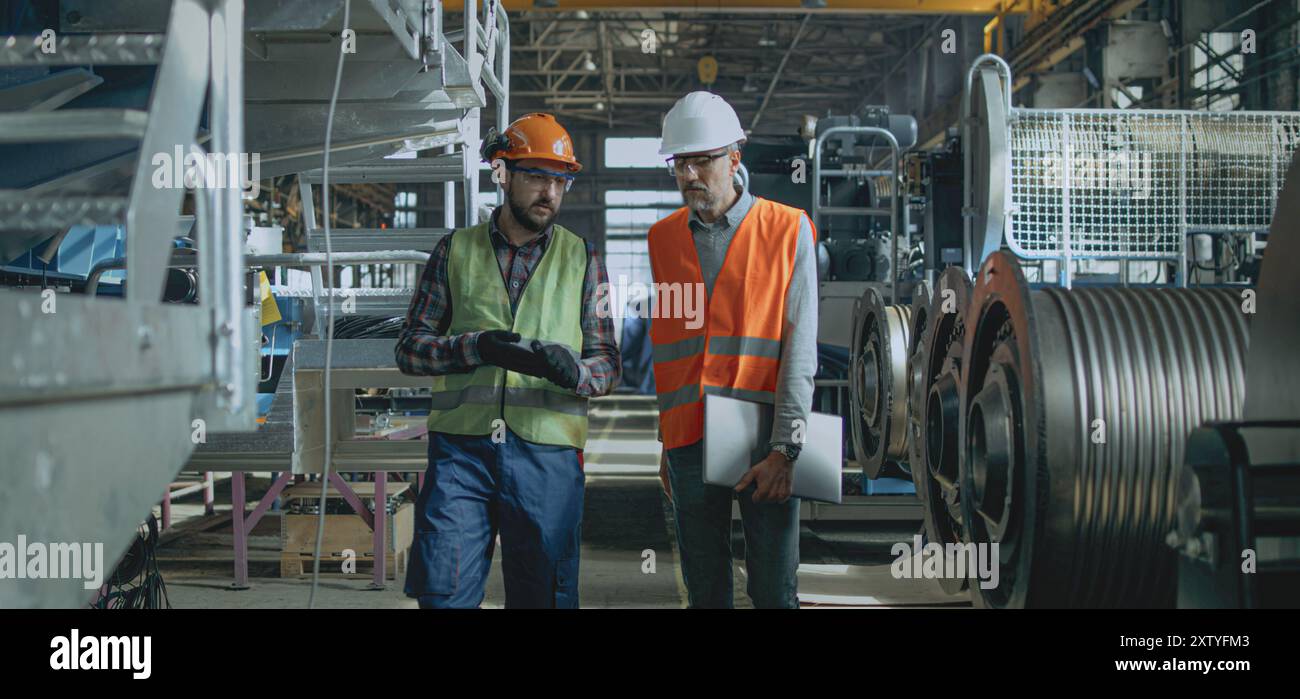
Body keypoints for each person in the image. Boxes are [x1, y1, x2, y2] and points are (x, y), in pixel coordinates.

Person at [395, 113, 620, 608]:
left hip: (548, 457)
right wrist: (473, 348)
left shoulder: (585, 259)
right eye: (538, 175)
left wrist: (577, 372)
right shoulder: (453, 250)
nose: (551, 192)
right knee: (443, 592)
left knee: (544, 595)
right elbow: (410, 348)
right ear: (504, 174)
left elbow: (607, 363)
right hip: (461, 453)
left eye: (560, 180)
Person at [648, 92, 818, 609]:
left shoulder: (789, 230)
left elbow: (800, 348)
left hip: (762, 436)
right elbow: (671, 349)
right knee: (706, 590)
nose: (691, 174)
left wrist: (786, 448)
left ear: (734, 159)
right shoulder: (662, 239)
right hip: (689, 441)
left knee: (772, 589)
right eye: (681, 163)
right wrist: (666, 441)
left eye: (703, 160)